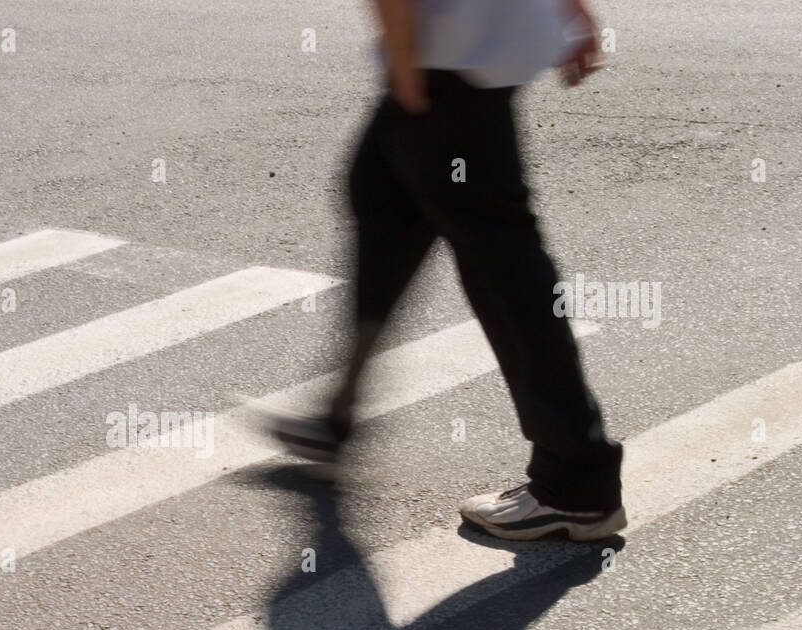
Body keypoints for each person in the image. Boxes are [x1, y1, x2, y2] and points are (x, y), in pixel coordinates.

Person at [267, 0, 626, 541]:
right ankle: (336, 417)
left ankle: (576, 482)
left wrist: (407, 69)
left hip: (448, 61)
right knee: (385, 202)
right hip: (474, 46)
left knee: (500, 262)